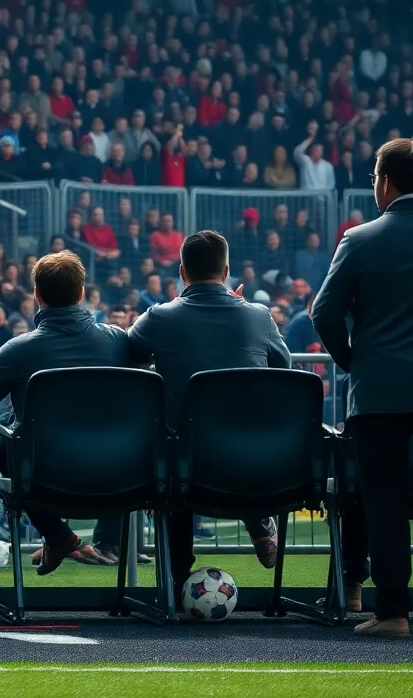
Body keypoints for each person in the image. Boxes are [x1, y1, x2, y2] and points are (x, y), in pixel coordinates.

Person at [128, 230, 290, 591]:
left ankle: (177, 580)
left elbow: (131, 353)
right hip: (254, 459)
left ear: (182, 272)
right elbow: (284, 368)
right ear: (227, 270)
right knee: (233, 435)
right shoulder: (259, 317)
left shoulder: (160, 316)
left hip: (185, 465)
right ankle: (258, 516)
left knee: (175, 468)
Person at [313, 138, 413, 638]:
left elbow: (324, 312)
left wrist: (353, 361)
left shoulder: (359, 239)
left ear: (385, 182)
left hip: (378, 392)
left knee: (384, 505)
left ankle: (393, 613)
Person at [0, 251, 123, 572]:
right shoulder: (117, 342)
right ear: (82, 293)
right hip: (116, 475)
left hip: (44, 476)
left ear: (37, 294)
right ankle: (81, 539)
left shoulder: (19, 349)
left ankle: (57, 535)